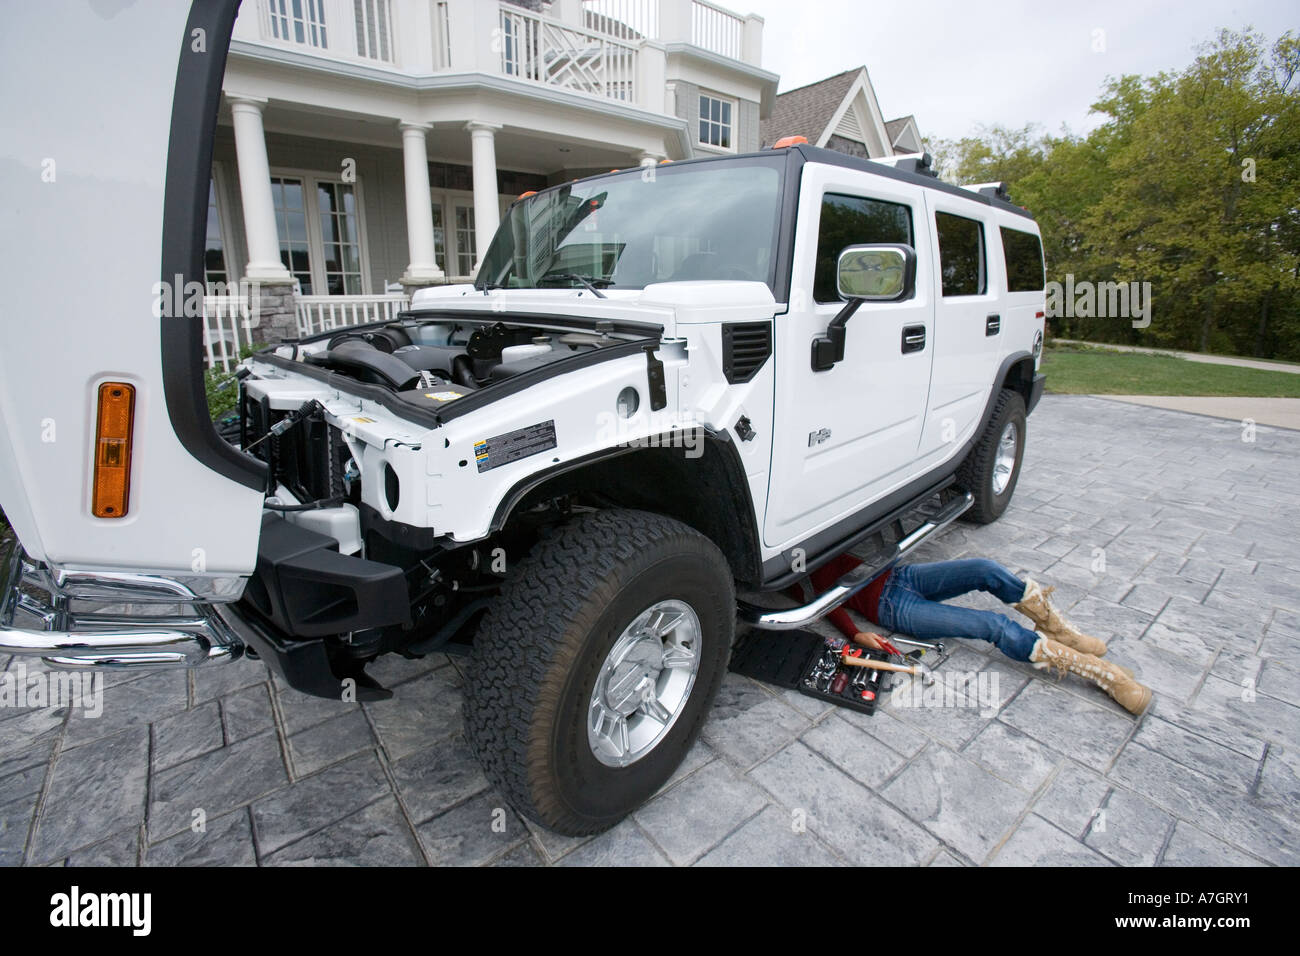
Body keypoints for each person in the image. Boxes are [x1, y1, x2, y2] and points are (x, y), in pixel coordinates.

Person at [796, 554, 1152, 715]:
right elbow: (813, 600)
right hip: (891, 608)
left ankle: (1056, 630)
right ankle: (1096, 671)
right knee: (992, 626)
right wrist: (856, 634)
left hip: (902, 575)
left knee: (985, 569)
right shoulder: (784, 557)